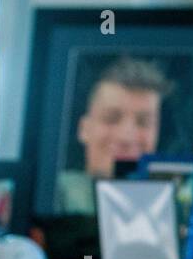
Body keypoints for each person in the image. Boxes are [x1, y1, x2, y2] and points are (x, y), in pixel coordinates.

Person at [55, 56, 172, 215]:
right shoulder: (54, 193)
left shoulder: (170, 206)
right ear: (84, 129)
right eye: (111, 118)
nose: (126, 137)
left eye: (144, 122)